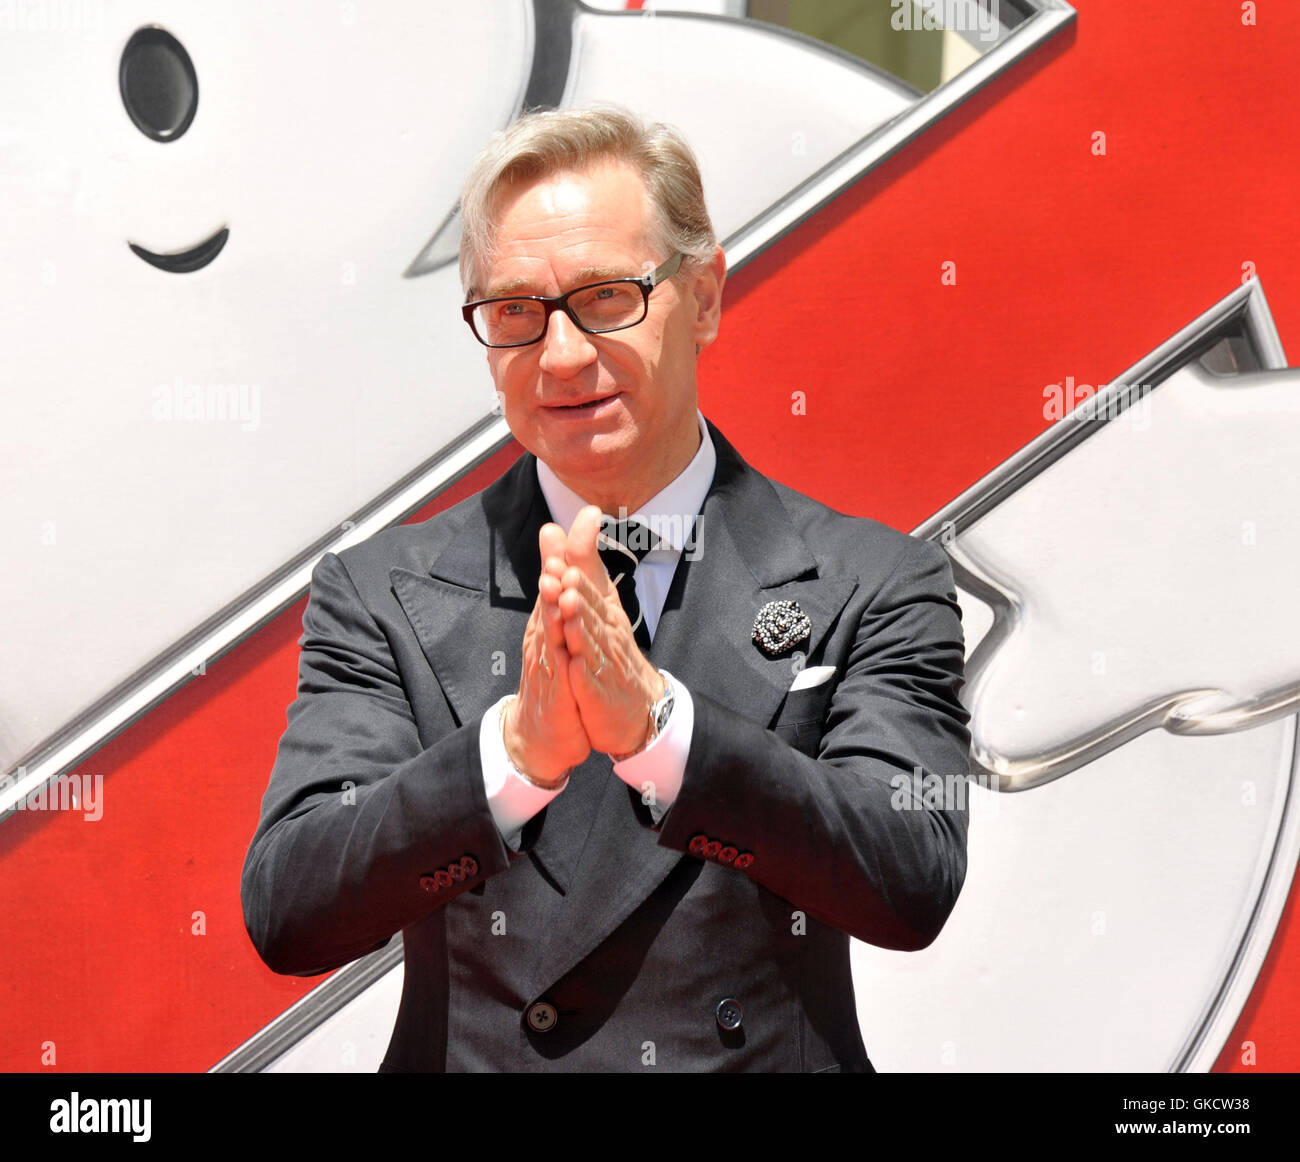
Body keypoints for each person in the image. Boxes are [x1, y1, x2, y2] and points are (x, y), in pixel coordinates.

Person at [241, 105, 972, 1072]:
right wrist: (511, 760)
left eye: (607, 297)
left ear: (704, 295)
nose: (562, 357)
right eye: (515, 314)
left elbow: (910, 877)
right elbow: (292, 909)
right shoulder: (381, 595)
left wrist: (664, 734)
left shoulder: (875, 581)